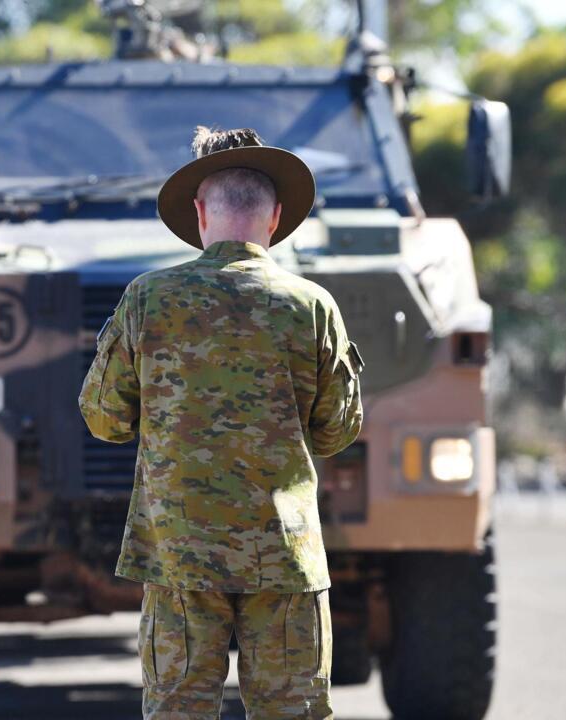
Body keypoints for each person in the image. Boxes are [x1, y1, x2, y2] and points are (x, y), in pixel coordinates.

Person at [79, 127, 364, 720]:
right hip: (283, 555)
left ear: (201, 213)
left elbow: (105, 420)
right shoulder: (312, 306)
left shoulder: (147, 298)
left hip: (180, 555)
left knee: (179, 709)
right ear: (276, 217)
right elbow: (338, 430)